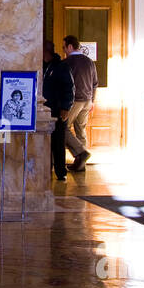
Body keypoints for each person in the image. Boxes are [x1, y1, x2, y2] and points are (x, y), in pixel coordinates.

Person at [63, 35, 98, 172]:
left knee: (62, 127)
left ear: (70, 46)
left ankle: (81, 153)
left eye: (64, 47)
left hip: (74, 101)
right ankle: (80, 164)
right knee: (80, 129)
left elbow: (66, 83)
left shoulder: (68, 62)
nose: (64, 50)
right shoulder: (89, 61)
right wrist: (93, 100)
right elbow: (95, 83)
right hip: (87, 100)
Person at [42, 40, 74, 181]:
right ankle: (45, 169)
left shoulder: (61, 67)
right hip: (43, 110)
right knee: (44, 142)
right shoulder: (42, 66)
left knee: (58, 142)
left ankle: (61, 172)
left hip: (57, 110)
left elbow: (69, 88)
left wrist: (65, 107)